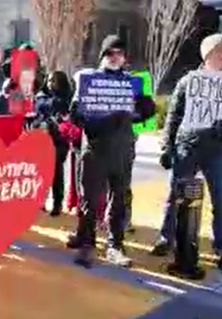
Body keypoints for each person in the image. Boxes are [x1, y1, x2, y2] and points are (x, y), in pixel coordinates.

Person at [151, 33, 222, 271]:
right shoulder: (188, 81)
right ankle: (167, 238)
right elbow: (174, 115)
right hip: (187, 147)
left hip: (219, 151)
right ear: (207, 55)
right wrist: (167, 147)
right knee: (176, 196)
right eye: (219, 52)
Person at [70, 35, 155, 268]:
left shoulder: (131, 83)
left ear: (125, 57)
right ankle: (87, 245)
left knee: (119, 199)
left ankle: (115, 246)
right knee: (90, 199)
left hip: (122, 150)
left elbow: (145, 113)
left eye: (119, 52)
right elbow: (75, 113)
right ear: (103, 56)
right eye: (110, 53)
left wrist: (145, 106)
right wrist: (89, 119)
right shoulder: (89, 81)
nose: (115, 57)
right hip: (95, 149)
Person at [34, 71, 73, 216]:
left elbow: (66, 115)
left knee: (56, 171)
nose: (51, 84)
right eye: (49, 81)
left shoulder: (65, 99)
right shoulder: (41, 97)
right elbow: (37, 111)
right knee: (41, 172)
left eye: (54, 81)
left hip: (59, 140)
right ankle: (41, 201)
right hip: (42, 138)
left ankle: (57, 202)